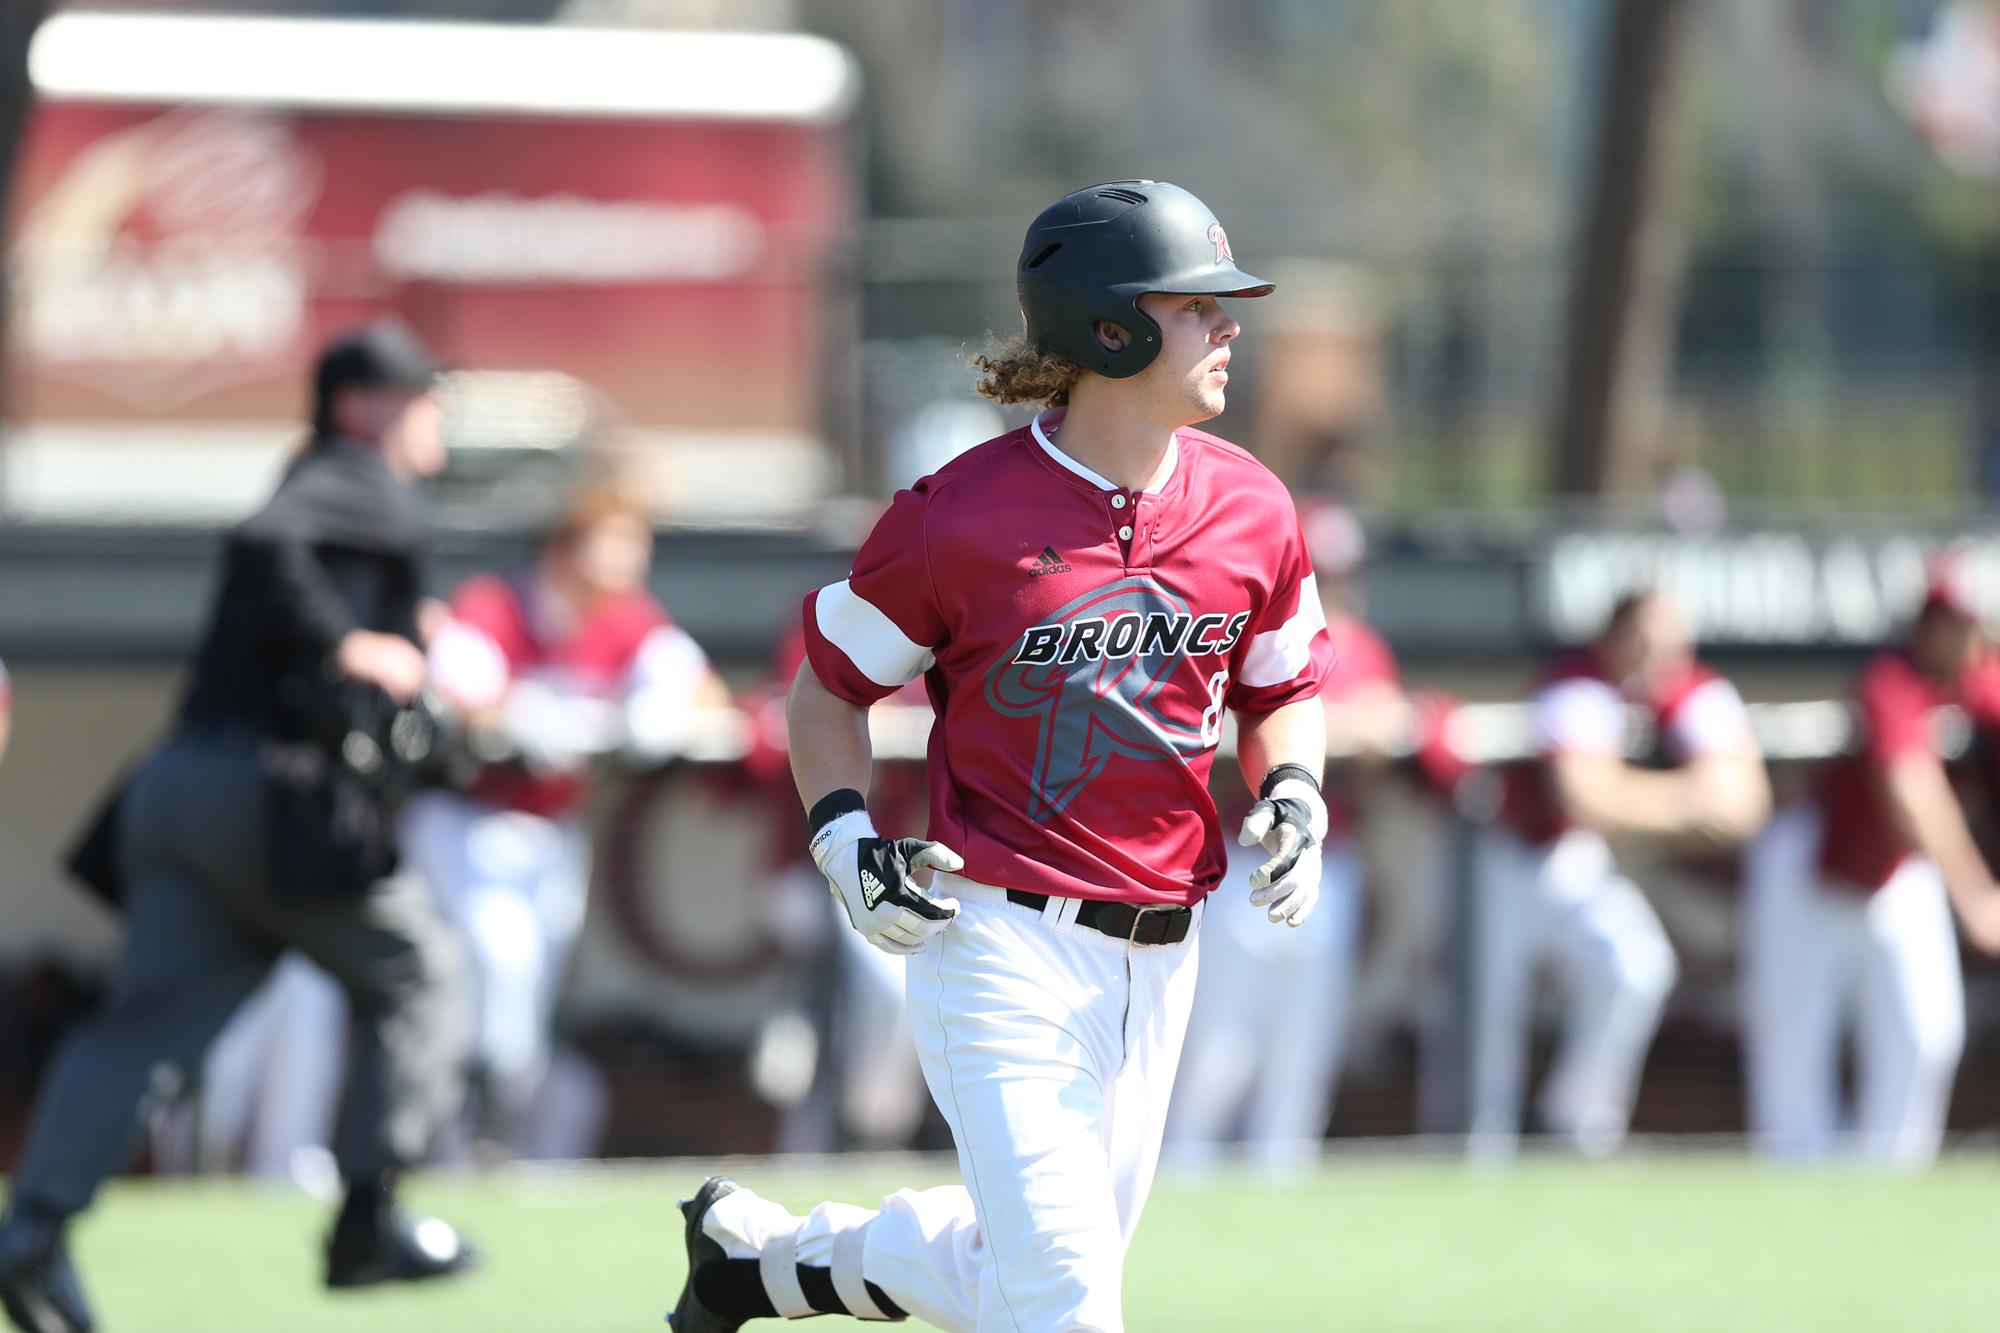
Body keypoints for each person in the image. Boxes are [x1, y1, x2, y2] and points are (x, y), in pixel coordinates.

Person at [667, 179, 1335, 1333]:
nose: (1229, 327)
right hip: (1000, 944)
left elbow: (1282, 690)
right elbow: (825, 692)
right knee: (1065, 1299)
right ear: (1109, 325)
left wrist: (1293, 785)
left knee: (1009, 1272)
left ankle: (760, 1261)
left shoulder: (1256, 509)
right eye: (1196, 306)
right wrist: (841, 836)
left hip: (1164, 954)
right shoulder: (954, 518)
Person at [0, 319, 476, 1333]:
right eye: (419, 395)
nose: (434, 414)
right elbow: (268, 546)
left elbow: (286, 566)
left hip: (180, 789)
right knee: (421, 972)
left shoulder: (330, 484)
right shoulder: (356, 469)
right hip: (269, 801)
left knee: (140, 1032)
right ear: (361, 405)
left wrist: (389, 631)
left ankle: (31, 1233)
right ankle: (367, 1218)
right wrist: (353, 643)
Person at [404, 479, 730, 1155]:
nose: (627, 566)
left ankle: (499, 1145)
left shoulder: (626, 618)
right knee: (498, 968)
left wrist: (659, 714)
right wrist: (520, 717)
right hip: (466, 820)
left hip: (551, 831)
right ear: (565, 546)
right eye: (613, 545)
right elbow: (458, 695)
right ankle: (458, 1145)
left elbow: (706, 694)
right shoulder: (495, 605)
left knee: (531, 996)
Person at [1470, 588, 1770, 1159]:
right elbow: (1588, 799)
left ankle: (1573, 1123)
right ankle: (1475, 1147)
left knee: (1638, 967)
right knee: (1490, 1008)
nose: (1661, 655)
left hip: (1573, 861)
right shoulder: (1577, 682)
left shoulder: (1687, 688)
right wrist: (1690, 799)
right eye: (1647, 642)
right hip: (1507, 854)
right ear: (1614, 638)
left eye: (1673, 643)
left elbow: (1748, 806)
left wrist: (1653, 799)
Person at [1165, 501, 1406, 1172]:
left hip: (1329, 862)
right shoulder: (1247, 626)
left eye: (1342, 571)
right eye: (1322, 570)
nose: (1335, 584)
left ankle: (1282, 1176)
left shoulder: (1363, 647)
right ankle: (1183, 1170)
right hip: (1242, 858)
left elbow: (1385, 731)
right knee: (1217, 1046)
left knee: (1302, 1048)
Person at [1743, 559, 2000, 1166]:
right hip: (1814, 864)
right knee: (1796, 1045)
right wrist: (1975, 894)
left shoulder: (1979, 678)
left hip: (1896, 873)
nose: (1972, 636)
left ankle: (1889, 1182)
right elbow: (1910, 791)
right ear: (1929, 624)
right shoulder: (1892, 678)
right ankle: (1796, 1189)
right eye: (1958, 623)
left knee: (1926, 1033)